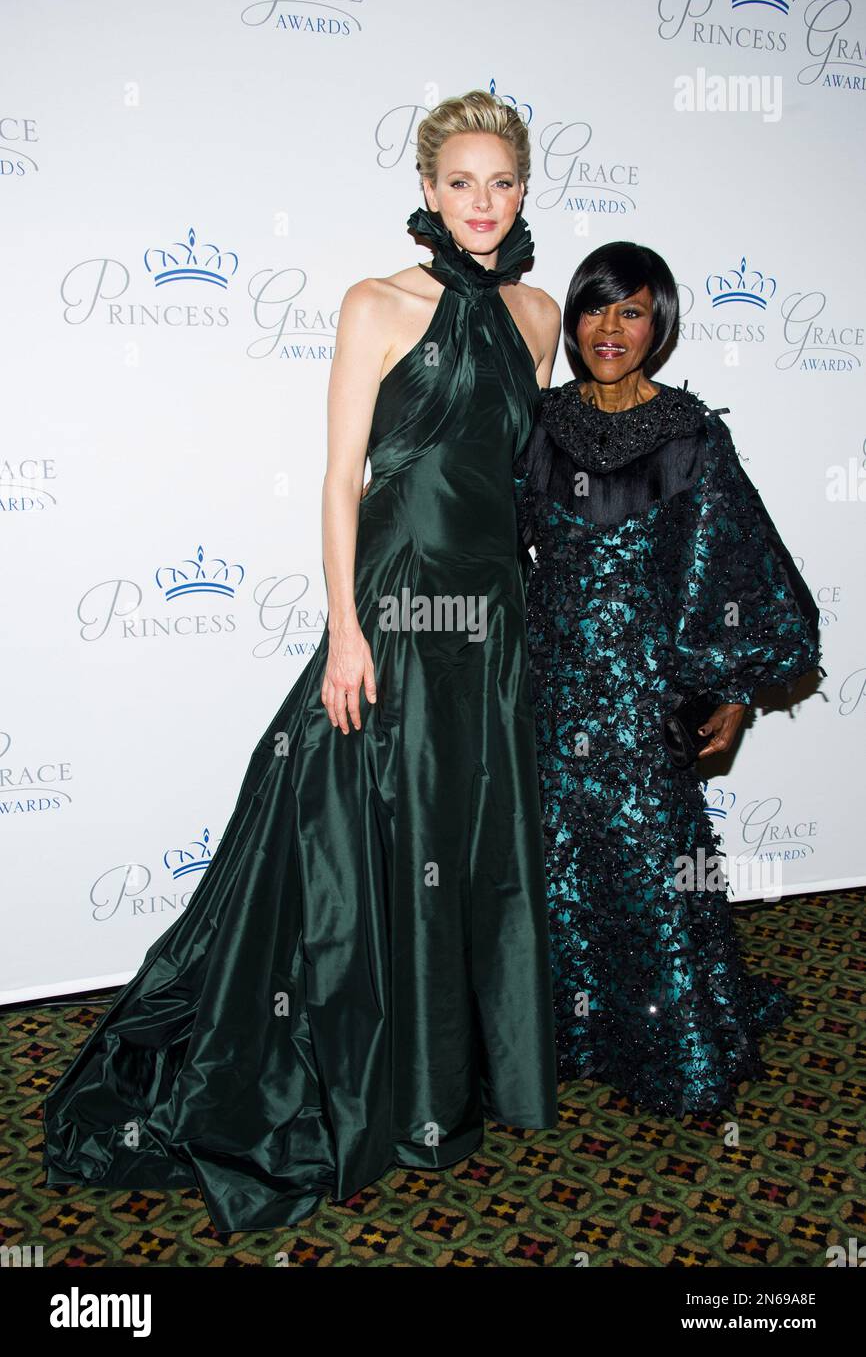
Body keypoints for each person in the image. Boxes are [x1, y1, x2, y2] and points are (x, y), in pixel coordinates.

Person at [43, 90, 563, 1232]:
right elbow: (342, 477)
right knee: (352, 822)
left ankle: (454, 1074)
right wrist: (344, 625)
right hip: (395, 600)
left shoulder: (537, 312)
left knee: (467, 832)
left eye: (502, 182)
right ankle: (359, 1067)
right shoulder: (375, 303)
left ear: (525, 190)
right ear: (426, 191)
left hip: (492, 615)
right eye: (460, 182)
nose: (481, 203)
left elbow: (514, 477)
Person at [514, 240, 822, 1118]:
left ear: (660, 324)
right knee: (552, 858)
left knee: (651, 860)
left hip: (647, 690)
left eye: (633, 310)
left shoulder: (693, 436)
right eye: (597, 309)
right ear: (572, 321)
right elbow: (486, 541)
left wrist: (732, 693)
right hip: (549, 678)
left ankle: (671, 1036)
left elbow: (735, 568)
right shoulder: (537, 424)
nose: (611, 328)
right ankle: (560, 1033)